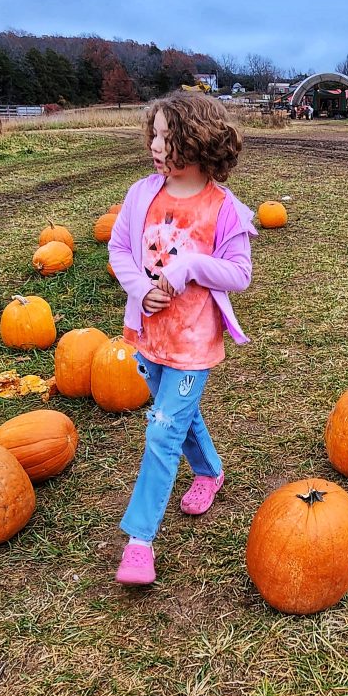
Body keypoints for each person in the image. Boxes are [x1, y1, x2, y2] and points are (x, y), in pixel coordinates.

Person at [107, 89, 256, 584]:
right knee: (174, 416)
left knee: (162, 430)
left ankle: (139, 541)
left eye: (165, 137)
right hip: (149, 334)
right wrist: (141, 287)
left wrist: (190, 264)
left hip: (194, 343)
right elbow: (120, 249)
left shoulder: (224, 208)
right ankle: (210, 471)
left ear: (196, 141)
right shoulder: (140, 195)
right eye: (152, 134)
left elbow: (238, 274)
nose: (154, 144)